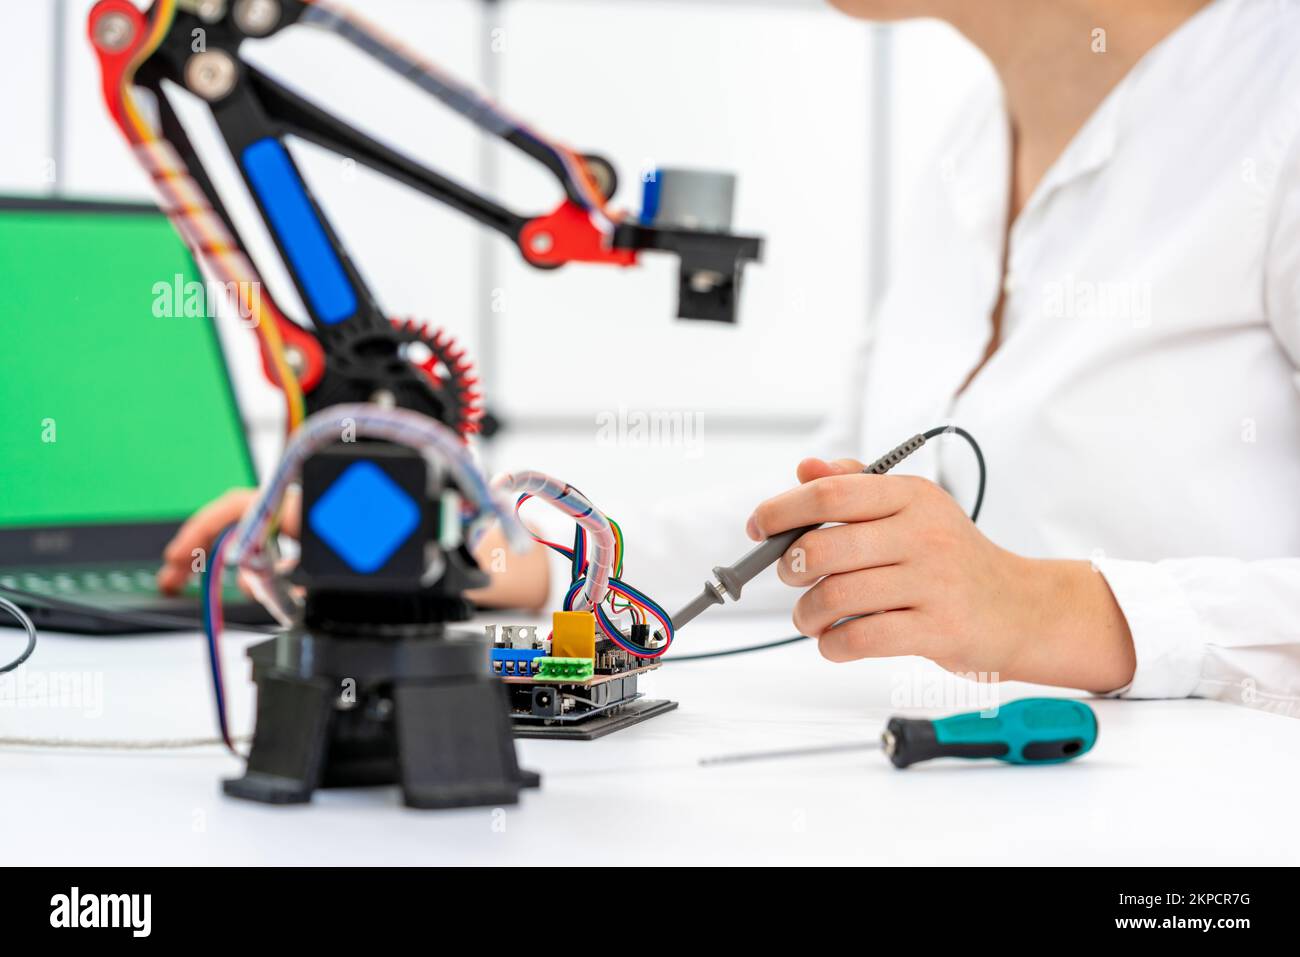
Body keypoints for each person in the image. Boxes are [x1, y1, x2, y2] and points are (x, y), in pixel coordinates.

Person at [160, 0, 1300, 706]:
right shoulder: (968, 151)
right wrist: (480, 553)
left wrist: (1052, 612)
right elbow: (810, 534)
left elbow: (993, 594)